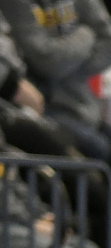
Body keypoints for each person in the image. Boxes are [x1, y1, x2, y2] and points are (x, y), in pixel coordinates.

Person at [0, 0, 111, 164]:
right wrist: (85, 35)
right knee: (97, 148)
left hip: (88, 111)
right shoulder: (15, 3)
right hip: (46, 109)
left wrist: (65, 65)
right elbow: (46, 61)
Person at [0, 12, 79, 157]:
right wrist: (12, 86)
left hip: (23, 100)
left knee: (64, 140)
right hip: (8, 101)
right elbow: (44, 57)